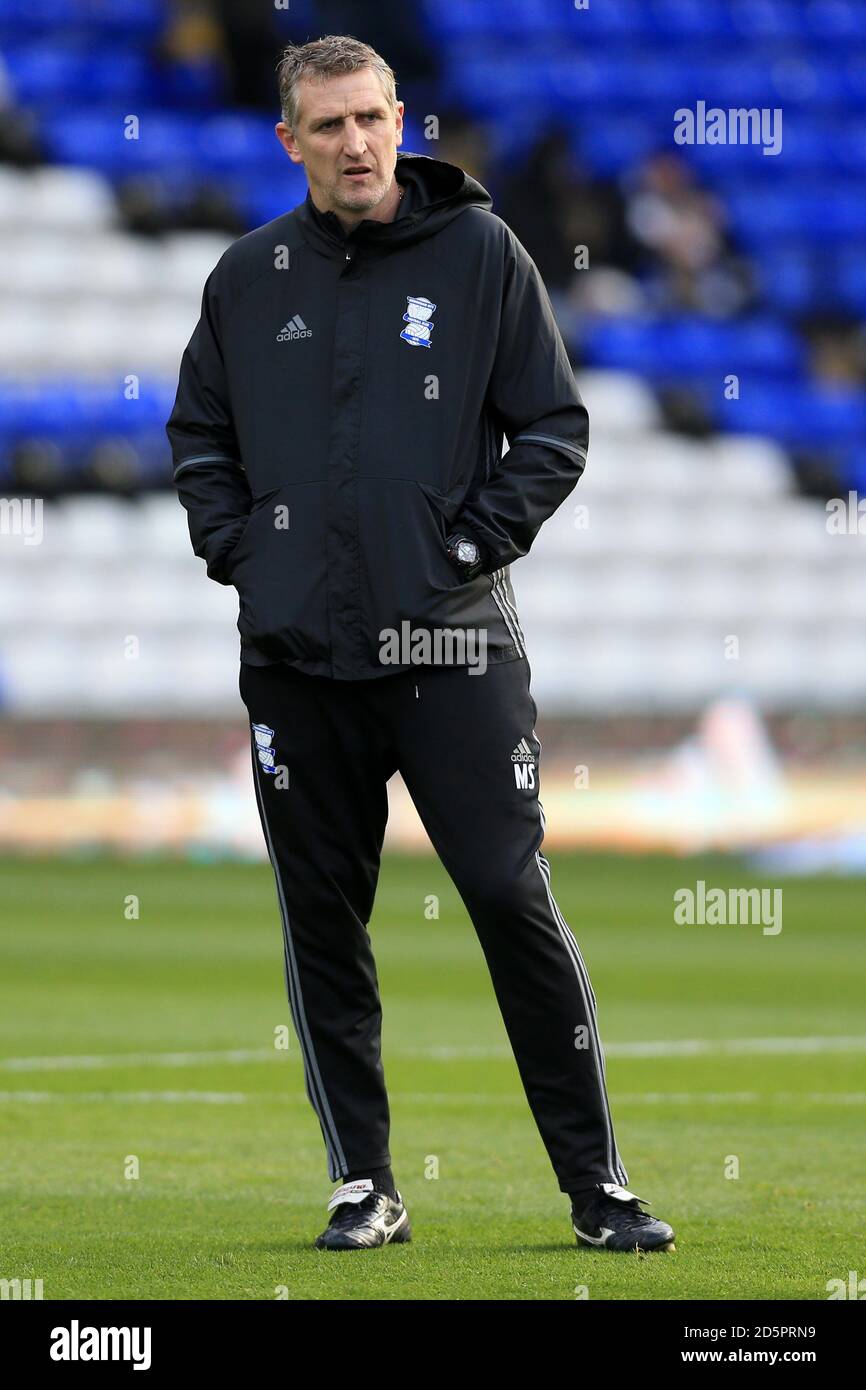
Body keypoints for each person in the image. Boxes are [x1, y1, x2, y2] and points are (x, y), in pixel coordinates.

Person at [166, 34, 675, 1255]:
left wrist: (462, 551)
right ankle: (364, 1183)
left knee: (508, 895)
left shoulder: (482, 255)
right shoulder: (246, 278)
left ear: (404, 120)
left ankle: (595, 1184)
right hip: (297, 658)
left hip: (450, 651)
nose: (354, 143)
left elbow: (553, 428)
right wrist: (241, 548)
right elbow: (198, 435)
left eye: (372, 118)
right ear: (289, 141)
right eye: (327, 125)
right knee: (320, 923)